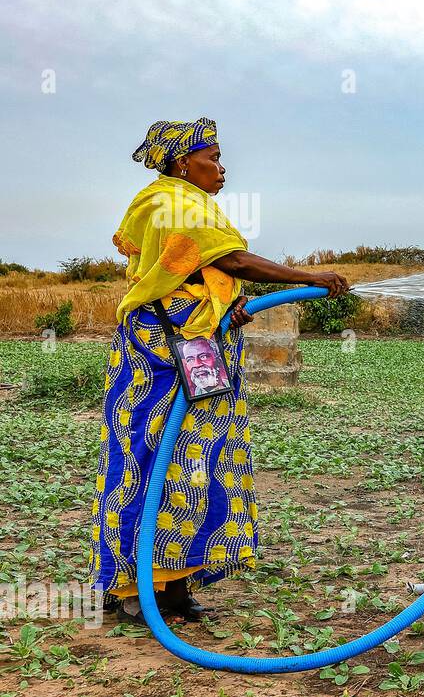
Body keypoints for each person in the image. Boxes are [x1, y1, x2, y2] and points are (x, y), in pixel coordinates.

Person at [91, 117, 348, 624]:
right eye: (212, 157)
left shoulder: (194, 205)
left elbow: (204, 276)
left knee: (195, 464)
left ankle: (174, 583)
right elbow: (232, 261)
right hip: (160, 355)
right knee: (148, 460)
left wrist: (229, 307)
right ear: (182, 161)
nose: (222, 167)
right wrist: (308, 276)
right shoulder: (167, 202)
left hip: (200, 349)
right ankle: (129, 587)